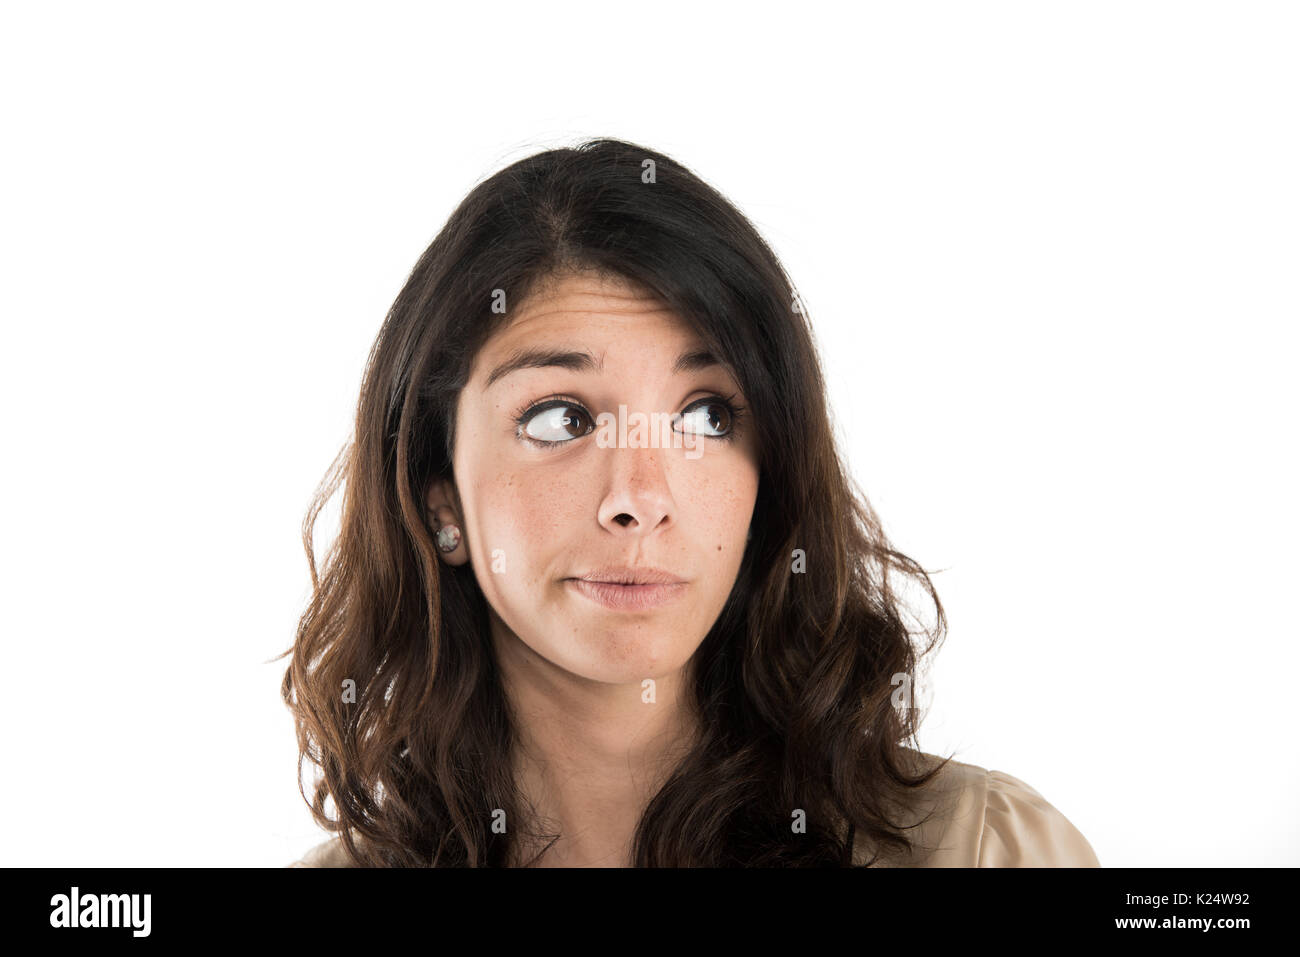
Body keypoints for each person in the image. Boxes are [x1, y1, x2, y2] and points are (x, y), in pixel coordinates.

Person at [280, 138, 1099, 867]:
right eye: (560, 418)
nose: (639, 499)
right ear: (440, 503)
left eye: (706, 416)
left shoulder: (986, 850)